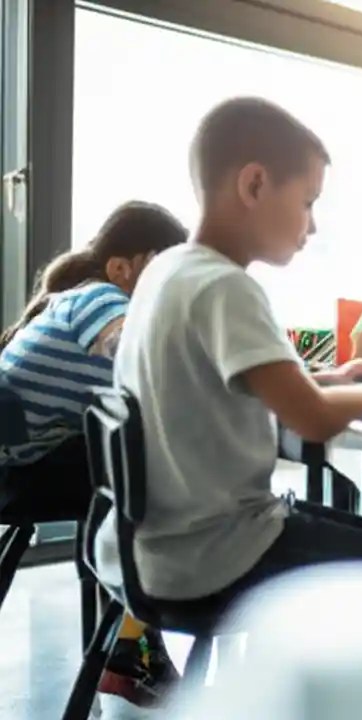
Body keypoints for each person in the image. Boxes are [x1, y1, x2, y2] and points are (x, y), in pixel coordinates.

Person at [96, 97, 362, 618]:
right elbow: (310, 419)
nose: (311, 227)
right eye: (308, 202)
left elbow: (229, 381)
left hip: (149, 551)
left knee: (359, 534)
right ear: (254, 184)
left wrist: (329, 377)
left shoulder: (169, 270)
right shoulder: (225, 286)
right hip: (214, 559)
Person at [0, 201, 185, 706]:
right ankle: (128, 650)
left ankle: (132, 644)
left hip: (18, 466)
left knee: (134, 465)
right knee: (151, 479)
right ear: (122, 268)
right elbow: (132, 352)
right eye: (163, 270)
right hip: (20, 472)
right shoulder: (102, 300)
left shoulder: (79, 298)